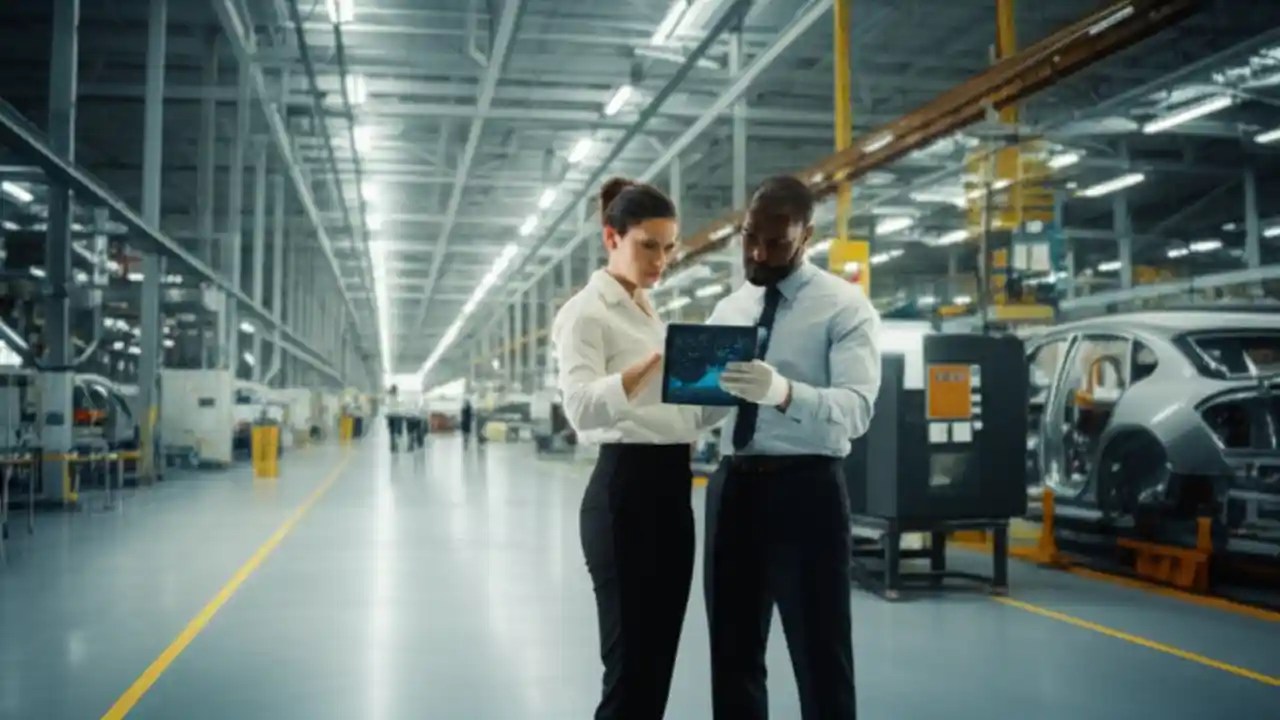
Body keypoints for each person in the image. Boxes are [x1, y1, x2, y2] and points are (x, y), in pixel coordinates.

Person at [703, 176, 882, 720]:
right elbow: (705, 407)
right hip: (732, 488)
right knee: (731, 656)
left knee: (819, 655)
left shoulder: (845, 307)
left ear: (807, 236)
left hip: (807, 492)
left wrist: (783, 393)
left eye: (776, 242)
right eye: (750, 237)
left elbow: (857, 409)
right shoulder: (729, 308)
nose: (758, 253)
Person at [551, 177, 701, 720]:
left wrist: (724, 389)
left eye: (669, 247)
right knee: (630, 670)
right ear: (611, 237)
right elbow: (581, 410)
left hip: (671, 493)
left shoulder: (647, 312)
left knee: (657, 662)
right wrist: (644, 370)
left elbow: (675, 417)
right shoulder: (585, 313)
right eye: (649, 245)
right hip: (625, 496)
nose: (662, 259)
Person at [384, 384, 405, 453]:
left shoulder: (388, 396)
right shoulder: (396, 396)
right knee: (396, 431)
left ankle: (392, 446)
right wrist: (401, 403)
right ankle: (395, 445)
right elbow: (398, 405)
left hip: (390, 415)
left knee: (391, 432)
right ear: (396, 390)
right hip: (396, 415)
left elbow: (387, 405)